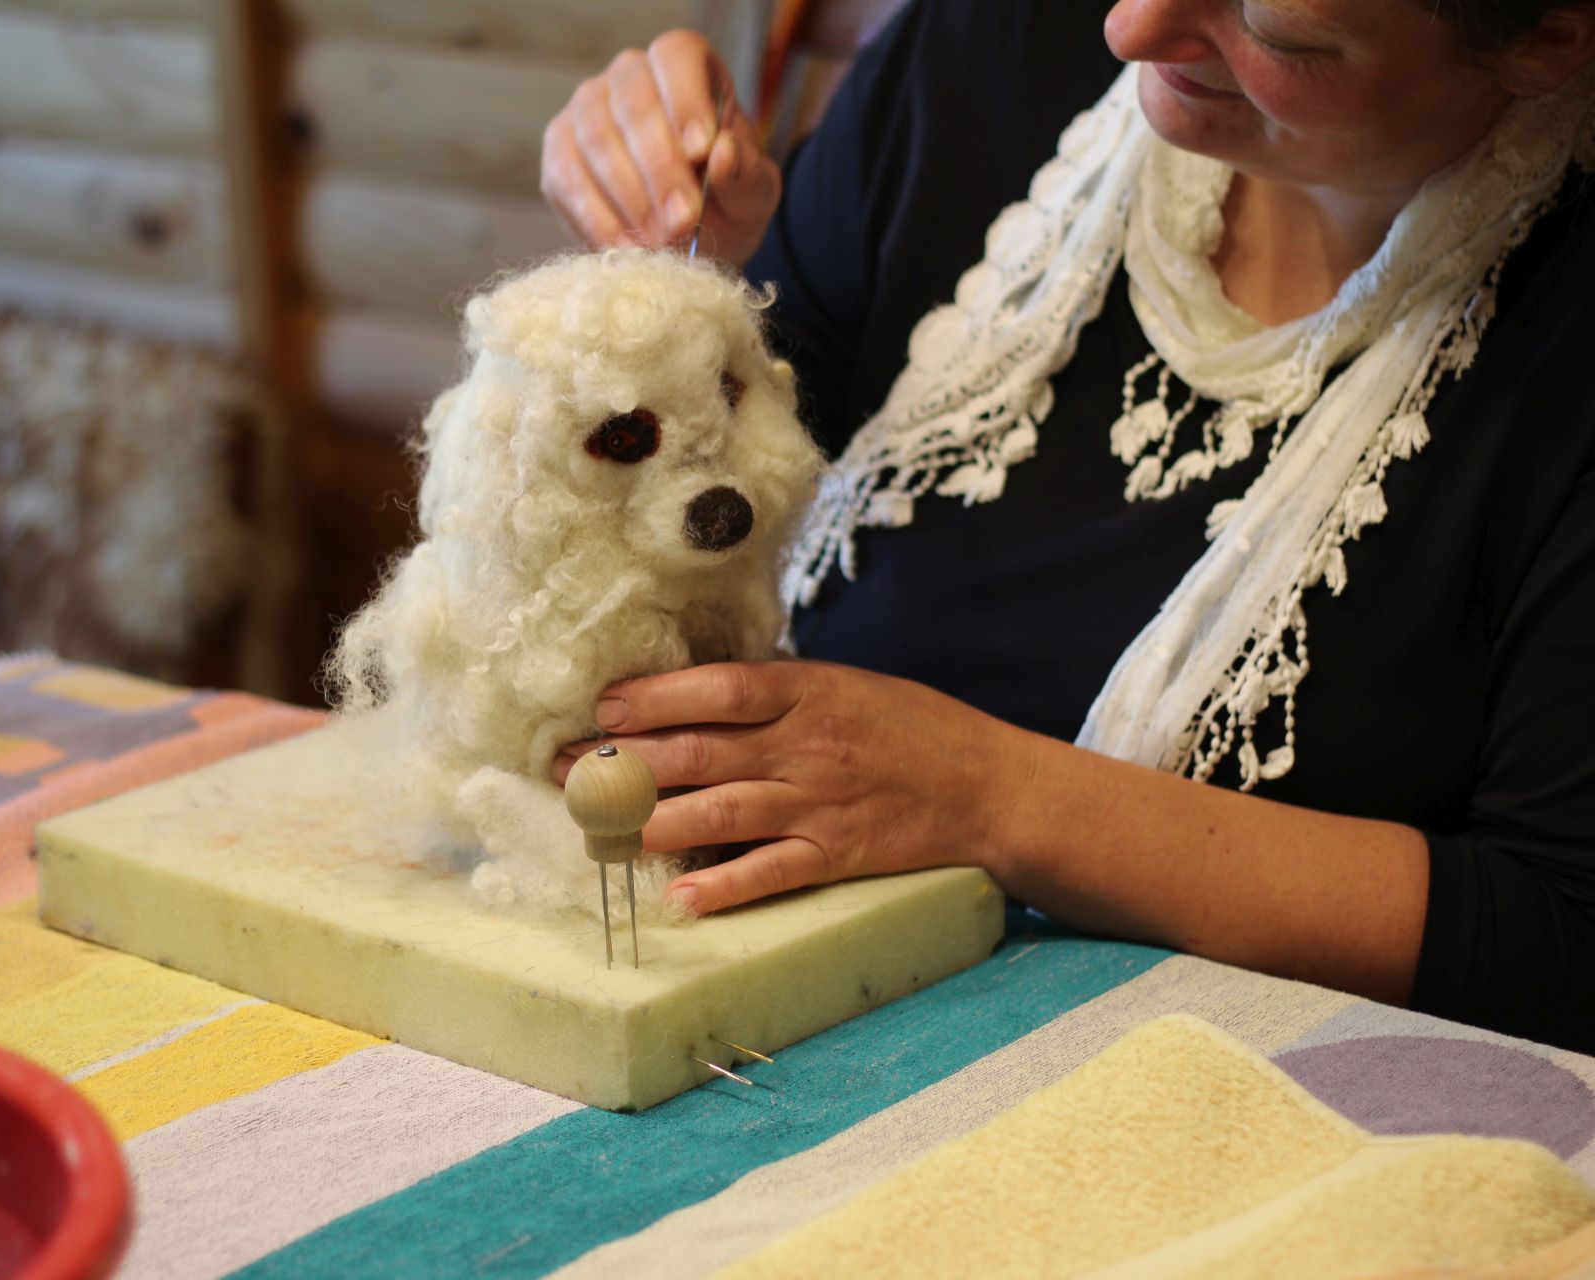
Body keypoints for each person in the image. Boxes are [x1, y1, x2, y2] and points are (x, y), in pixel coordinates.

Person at [539, 0, 1595, 1053]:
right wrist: (683, 308)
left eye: (1277, 32)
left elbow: (1560, 933)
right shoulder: (984, 47)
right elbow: (704, 507)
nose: (1132, 29)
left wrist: (992, 796)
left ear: (1549, 35)